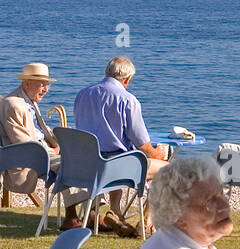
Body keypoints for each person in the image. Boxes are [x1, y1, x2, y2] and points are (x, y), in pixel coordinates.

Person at [72, 56, 168, 235]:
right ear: (128, 79)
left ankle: (115, 211)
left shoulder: (82, 94)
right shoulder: (128, 100)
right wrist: (157, 152)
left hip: (87, 164)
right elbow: (142, 144)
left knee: (116, 153)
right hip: (117, 166)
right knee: (166, 169)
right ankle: (147, 222)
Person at [0, 62, 61, 194]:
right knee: (71, 166)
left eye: (47, 84)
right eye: (42, 84)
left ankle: (90, 210)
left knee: (81, 159)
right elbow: (24, 143)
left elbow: (39, 130)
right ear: (26, 83)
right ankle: (77, 212)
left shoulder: (28, 101)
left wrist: (62, 140)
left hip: (41, 149)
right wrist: (51, 150)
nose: (46, 89)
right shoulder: (14, 105)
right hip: (30, 158)